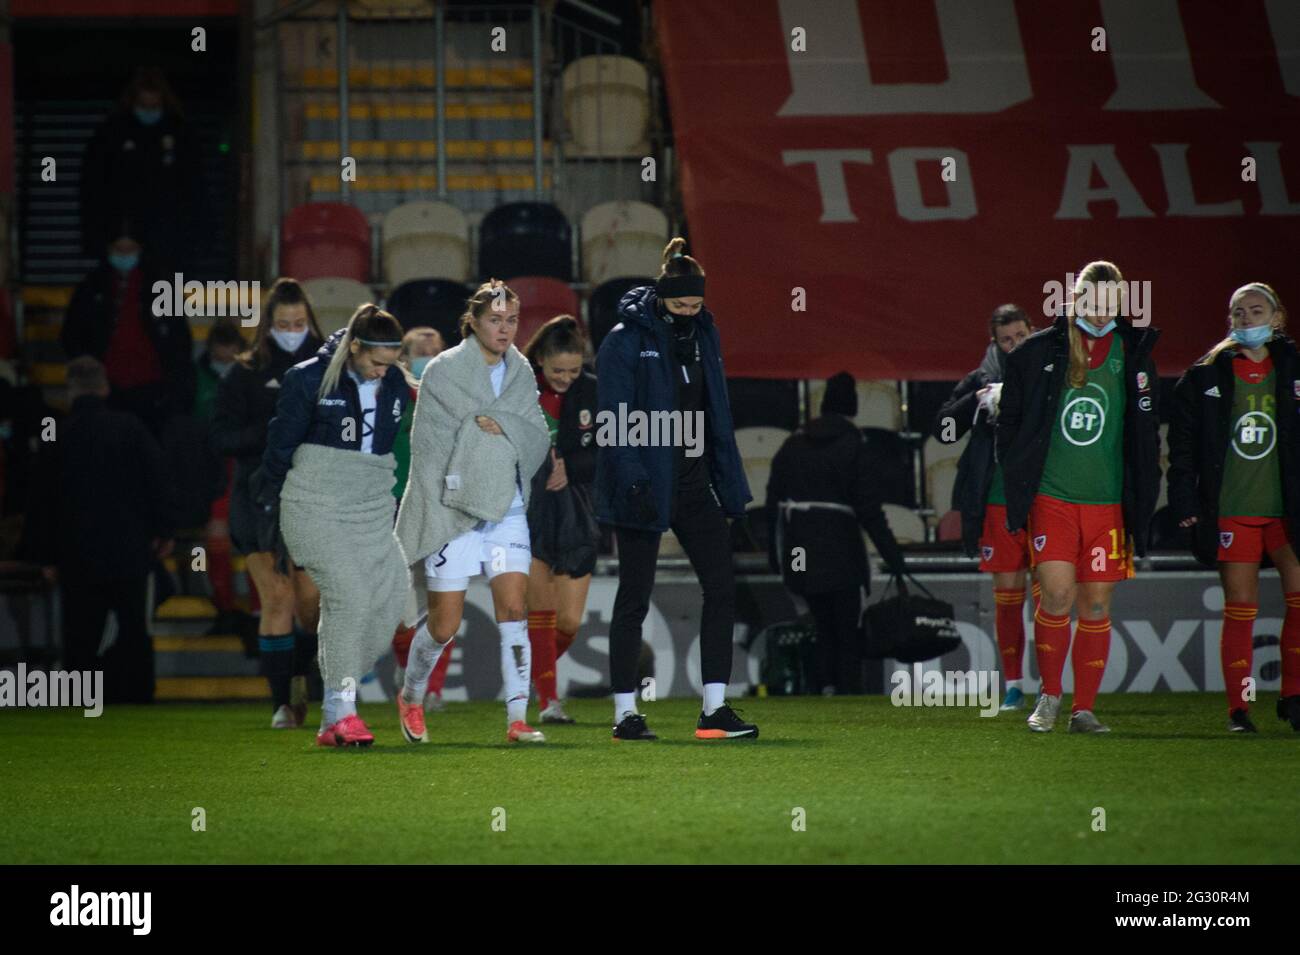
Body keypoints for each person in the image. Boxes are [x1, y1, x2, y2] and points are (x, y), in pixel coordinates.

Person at [595, 238, 757, 741]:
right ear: (661, 297)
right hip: (643, 481)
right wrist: (635, 479)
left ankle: (713, 709)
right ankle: (625, 714)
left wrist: (728, 485)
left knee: (721, 588)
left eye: (696, 304)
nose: (689, 312)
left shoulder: (705, 334)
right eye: (680, 304)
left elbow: (718, 414)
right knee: (634, 597)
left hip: (691, 481)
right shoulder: (624, 340)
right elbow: (614, 419)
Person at [997, 261, 1161, 734]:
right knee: (1058, 594)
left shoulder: (1132, 354)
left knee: (1095, 605)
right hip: (1053, 497)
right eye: (1091, 300)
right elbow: (1008, 424)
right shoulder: (1036, 353)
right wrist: (1019, 479)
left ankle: (1083, 709)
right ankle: (1049, 696)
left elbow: (1145, 433)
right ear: (1075, 299)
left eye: (1110, 303)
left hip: (1107, 502)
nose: (1099, 310)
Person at [394, 280, 551, 745]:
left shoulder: (521, 371)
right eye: (495, 321)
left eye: (512, 321)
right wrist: (446, 495)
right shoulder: (444, 369)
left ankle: (518, 718)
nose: (505, 330)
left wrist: (504, 425)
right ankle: (412, 696)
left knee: (514, 608)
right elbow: (427, 447)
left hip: (507, 506)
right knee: (443, 625)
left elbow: (536, 435)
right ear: (474, 322)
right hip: (454, 509)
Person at [254, 305, 410, 747]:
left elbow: (383, 450)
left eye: (392, 362)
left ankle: (328, 709)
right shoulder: (307, 378)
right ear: (354, 347)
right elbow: (280, 446)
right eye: (377, 362)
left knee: (393, 593)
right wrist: (272, 509)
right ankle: (345, 710)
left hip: (368, 506)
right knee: (351, 596)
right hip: (314, 502)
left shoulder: (394, 382)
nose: (384, 372)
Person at [1167, 283, 1300, 733]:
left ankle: (1293, 697)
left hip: (1287, 510)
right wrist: (1185, 502)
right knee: (1240, 609)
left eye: (1256, 311)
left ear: (1278, 317)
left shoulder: (1295, 369)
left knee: (1298, 603)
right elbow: (1181, 448)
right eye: (1238, 314)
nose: (1246, 320)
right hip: (1233, 508)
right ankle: (1239, 709)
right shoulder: (1205, 375)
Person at [23, 357, 174, 703]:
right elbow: (158, 481)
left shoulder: (56, 432)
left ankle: (81, 696)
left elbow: (41, 499)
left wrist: (43, 555)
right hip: (129, 547)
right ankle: (137, 694)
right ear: (104, 387)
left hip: (76, 551)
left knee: (80, 631)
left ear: (70, 390)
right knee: (134, 627)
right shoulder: (131, 427)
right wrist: (164, 531)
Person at [211, 279, 324, 729]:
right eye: (283, 324)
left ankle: (300, 674)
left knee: (311, 602)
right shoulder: (246, 372)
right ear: (268, 325)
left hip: (314, 494)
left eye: (298, 323)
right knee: (276, 598)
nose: (291, 330)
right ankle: (281, 703)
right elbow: (218, 437)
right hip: (258, 497)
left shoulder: (329, 365)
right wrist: (270, 435)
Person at [767, 371, 906, 695]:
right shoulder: (855, 444)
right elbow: (869, 509)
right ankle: (845, 687)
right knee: (845, 626)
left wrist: (778, 557)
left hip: (799, 549)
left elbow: (772, 502)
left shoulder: (792, 444)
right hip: (841, 547)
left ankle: (821, 684)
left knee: (817, 620)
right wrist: (893, 556)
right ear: (852, 406)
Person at [934, 304, 1040, 711]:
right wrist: (977, 402)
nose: (1014, 346)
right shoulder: (982, 377)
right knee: (1008, 597)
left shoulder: (1054, 374)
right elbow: (942, 430)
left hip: (1044, 496)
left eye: (1020, 337)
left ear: (1033, 331)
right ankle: (1014, 684)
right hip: (997, 500)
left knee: (1052, 594)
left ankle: (1051, 685)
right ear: (994, 343)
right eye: (1006, 340)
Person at [523, 315, 599, 723]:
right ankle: (549, 700)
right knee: (543, 610)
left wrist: (573, 466)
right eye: (557, 371)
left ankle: (528, 675)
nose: (566, 378)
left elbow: (614, 448)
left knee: (569, 622)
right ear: (539, 361)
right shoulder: (518, 389)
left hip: (576, 511)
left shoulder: (595, 391)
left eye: (573, 370)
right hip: (527, 511)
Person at [61, 230, 195, 435]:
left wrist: (173, 385)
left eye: (130, 249)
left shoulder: (160, 285)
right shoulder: (91, 286)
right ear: (108, 250)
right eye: (119, 249)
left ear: (140, 250)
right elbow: (71, 334)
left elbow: (180, 340)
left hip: (153, 389)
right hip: (106, 389)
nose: (124, 255)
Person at [79, 67, 203, 273]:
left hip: (169, 240)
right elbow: (93, 189)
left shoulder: (180, 135)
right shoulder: (112, 135)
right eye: (143, 104)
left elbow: (194, 189)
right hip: (124, 237)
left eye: (154, 105)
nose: (148, 110)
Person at [389, 326, 454, 712]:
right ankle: (408, 673)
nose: (428, 356)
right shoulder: (392, 395)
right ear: (403, 357)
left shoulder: (451, 395)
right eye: (420, 350)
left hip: (439, 504)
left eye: (435, 349)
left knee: (444, 598)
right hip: (395, 504)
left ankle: (433, 689)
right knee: (403, 603)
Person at [194, 319, 246, 633]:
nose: (225, 358)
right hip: (211, 468)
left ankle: (259, 614)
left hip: (247, 465)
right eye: (220, 352)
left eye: (232, 352)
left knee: (258, 544)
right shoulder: (194, 379)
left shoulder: (252, 377)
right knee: (214, 537)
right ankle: (224, 606)